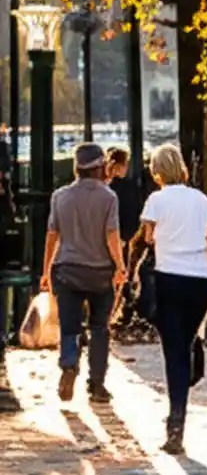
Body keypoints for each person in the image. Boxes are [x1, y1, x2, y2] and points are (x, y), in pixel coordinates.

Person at [140, 144, 207, 455]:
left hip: (168, 279)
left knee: (173, 350)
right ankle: (187, 377)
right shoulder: (201, 200)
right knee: (185, 341)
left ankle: (177, 421)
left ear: (157, 171)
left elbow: (147, 237)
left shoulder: (156, 201)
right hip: (201, 281)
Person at [40, 143, 126, 405]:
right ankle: (97, 385)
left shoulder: (59, 196)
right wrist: (120, 266)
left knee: (69, 325)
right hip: (100, 272)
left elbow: (52, 236)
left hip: (67, 270)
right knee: (100, 327)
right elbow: (112, 235)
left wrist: (46, 271)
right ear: (100, 167)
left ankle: (68, 364)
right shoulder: (109, 197)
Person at [105, 147, 143, 261]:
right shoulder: (127, 187)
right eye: (125, 164)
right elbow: (131, 211)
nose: (127, 168)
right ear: (118, 166)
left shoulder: (103, 187)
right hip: (123, 236)